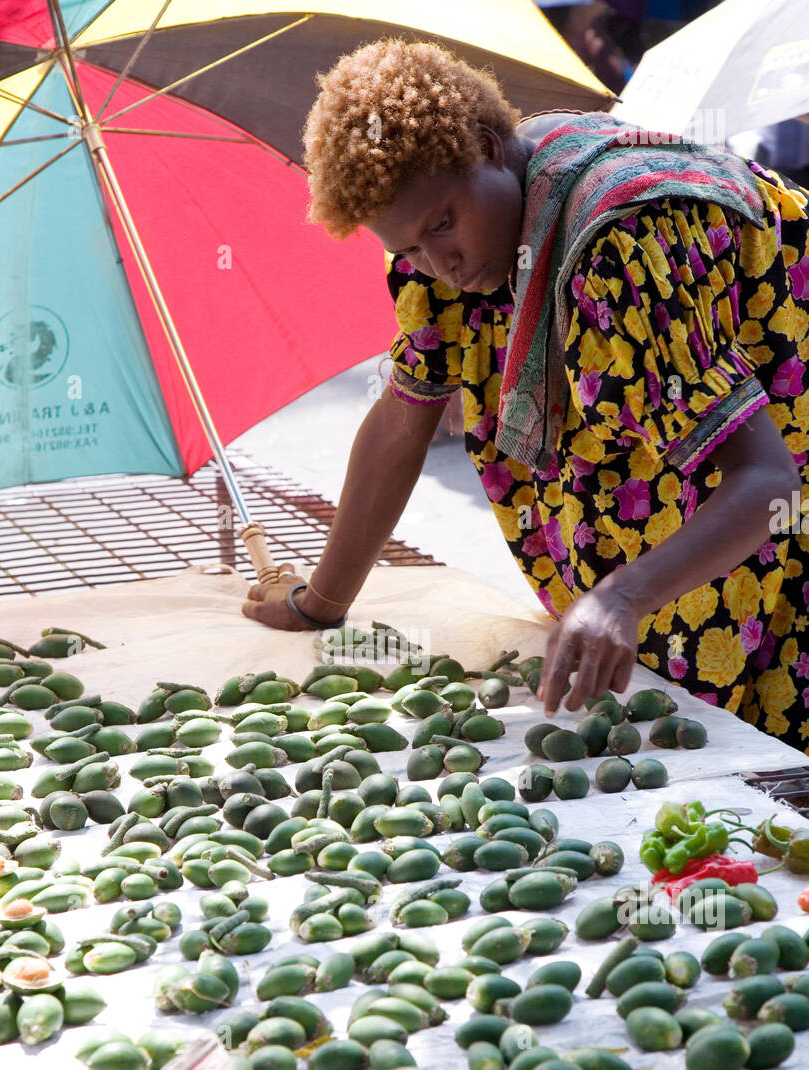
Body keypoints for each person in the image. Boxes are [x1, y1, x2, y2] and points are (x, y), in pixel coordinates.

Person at [243, 39, 809, 753]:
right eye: (410, 249)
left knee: (769, 737)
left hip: (785, 463)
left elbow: (765, 481)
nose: (440, 266)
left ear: (485, 146)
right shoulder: (448, 256)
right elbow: (402, 420)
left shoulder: (624, 240)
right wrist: (321, 604)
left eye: (443, 226)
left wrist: (624, 596)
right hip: (718, 488)